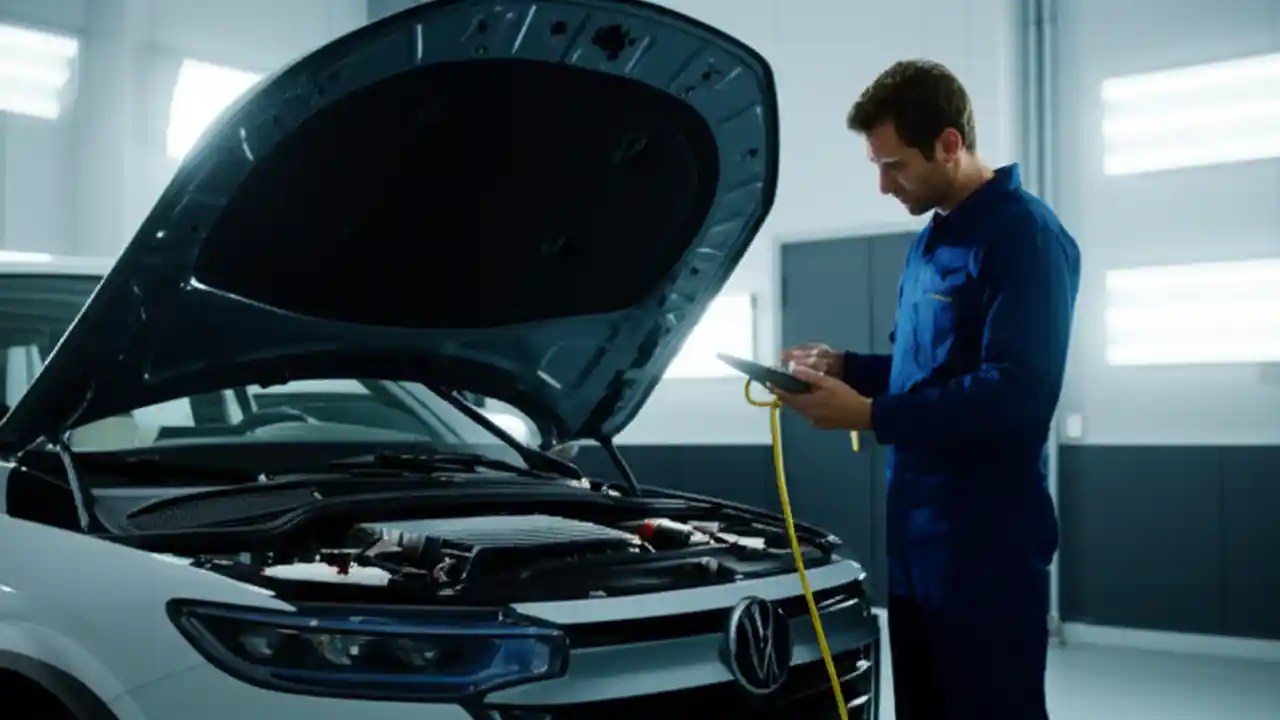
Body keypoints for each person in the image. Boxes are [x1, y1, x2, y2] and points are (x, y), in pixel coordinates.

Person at [772, 59, 1080, 719]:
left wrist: (872, 413)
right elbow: (928, 372)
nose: (885, 185)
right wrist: (847, 366)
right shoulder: (929, 241)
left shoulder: (1026, 237)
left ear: (949, 143)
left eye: (895, 165)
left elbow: (1018, 391)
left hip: (987, 545)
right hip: (915, 541)